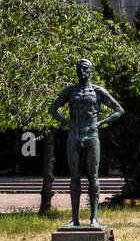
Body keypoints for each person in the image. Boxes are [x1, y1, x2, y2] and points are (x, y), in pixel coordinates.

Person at [48, 58, 124, 228]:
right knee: (74, 176)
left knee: (93, 177)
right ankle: (74, 219)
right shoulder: (70, 91)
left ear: (91, 71)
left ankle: (94, 219)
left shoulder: (98, 91)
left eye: (85, 69)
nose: (81, 72)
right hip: (74, 135)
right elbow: (52, 109)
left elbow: (119, 110)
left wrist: (102, 122)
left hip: (91, 135)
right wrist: (67, 122)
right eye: (79, 69)